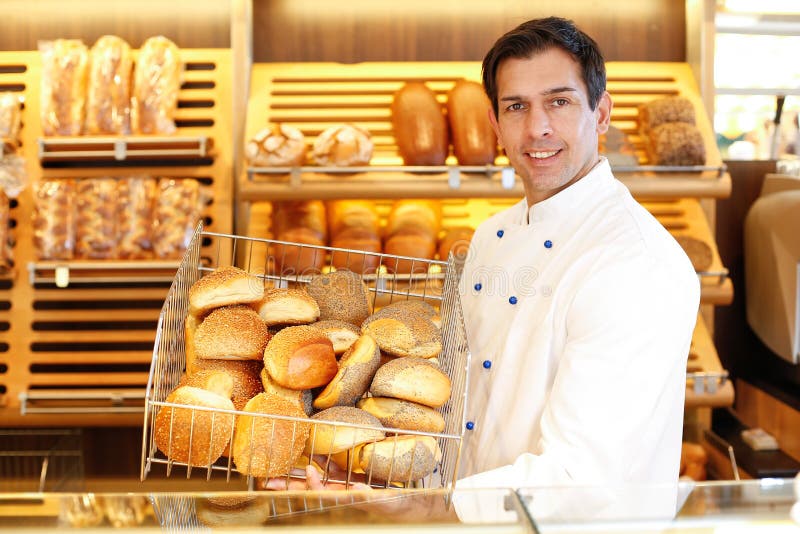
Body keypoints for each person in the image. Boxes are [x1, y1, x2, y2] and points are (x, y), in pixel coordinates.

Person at [453, 17, 700, 520]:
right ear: (496, 125)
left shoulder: (636, 264)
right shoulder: (487, 238)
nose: (537, 127)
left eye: (559, 102)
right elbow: (465, 397)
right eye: (516, 106)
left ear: (601, 112)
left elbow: (581, 479)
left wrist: (426, 509)